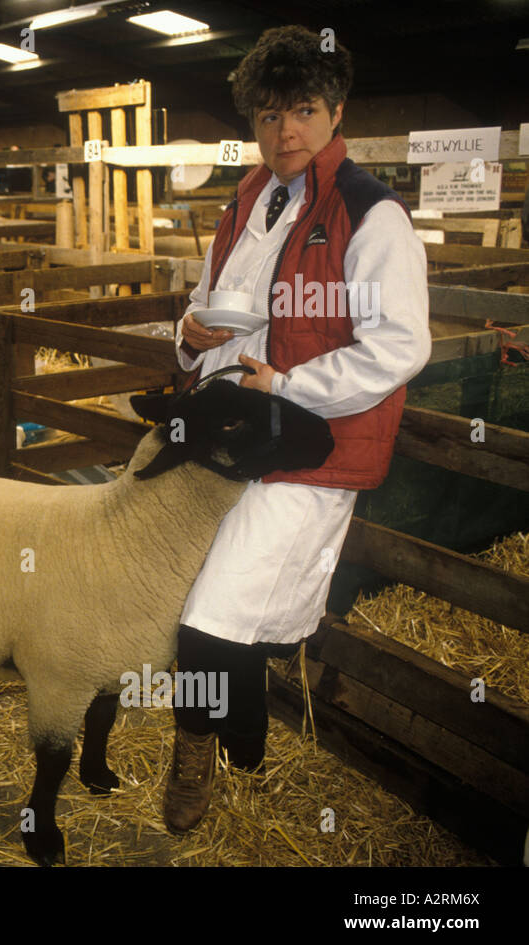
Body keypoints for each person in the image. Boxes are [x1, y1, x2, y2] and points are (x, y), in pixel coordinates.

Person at [163, 25, 431, 832]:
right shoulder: (244, 199)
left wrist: (291, 385)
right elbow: (211, 301)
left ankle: (191, 761)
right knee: (214, 596)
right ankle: (245, 740)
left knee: (212, 612)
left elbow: (400, 343)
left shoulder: (369, 212)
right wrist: (189, 334)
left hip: (310, 445)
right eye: (270, 115)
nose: (286, 133)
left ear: (336, 111)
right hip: (233, 436)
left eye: (304, 111)